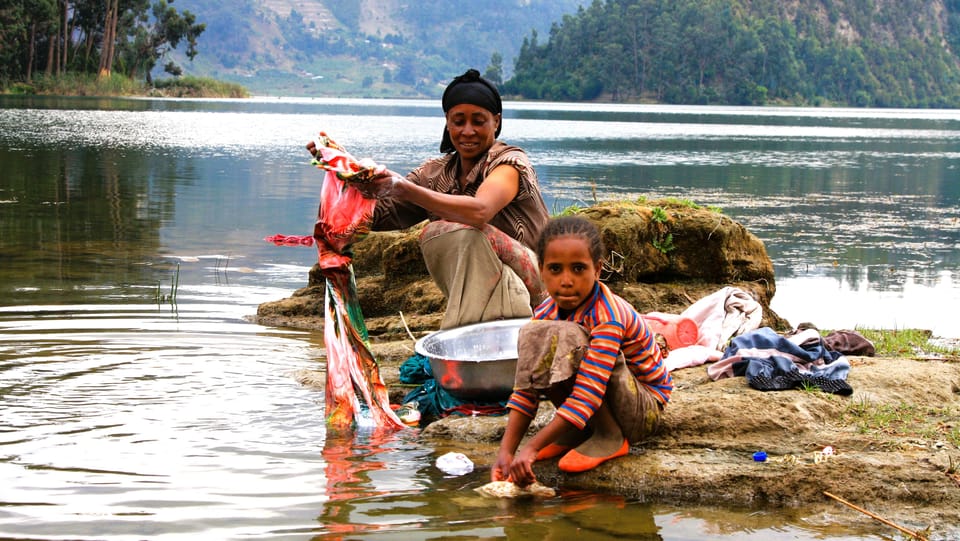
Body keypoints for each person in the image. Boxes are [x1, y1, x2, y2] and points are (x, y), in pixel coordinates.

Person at [309, 68, 549, 330]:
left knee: (450, 231)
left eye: (478, 121)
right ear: (448, 122)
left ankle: (474, 330)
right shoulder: (434, 173)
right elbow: (376, 215)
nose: (468, 131)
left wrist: (401, 187)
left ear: (497, 122)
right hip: (482, 293)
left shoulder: (509, 162)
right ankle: (471, 331)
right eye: (459, 121)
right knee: (440, 233)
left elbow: (480, 211)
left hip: (541, 287)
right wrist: (345, 172)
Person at [491, 216, 673, 485]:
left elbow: (589, 390)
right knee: (536, 335)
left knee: (570, 337)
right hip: (592, 405)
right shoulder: (544, 313)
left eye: (578, 269)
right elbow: (527, 389)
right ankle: (578, 431)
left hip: (640, 411)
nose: (566, 281)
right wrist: (506, 451)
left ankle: (609, 436)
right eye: (555, 269)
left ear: (597, 270)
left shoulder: (607, 316)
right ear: (541, 270)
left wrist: (531, 448)